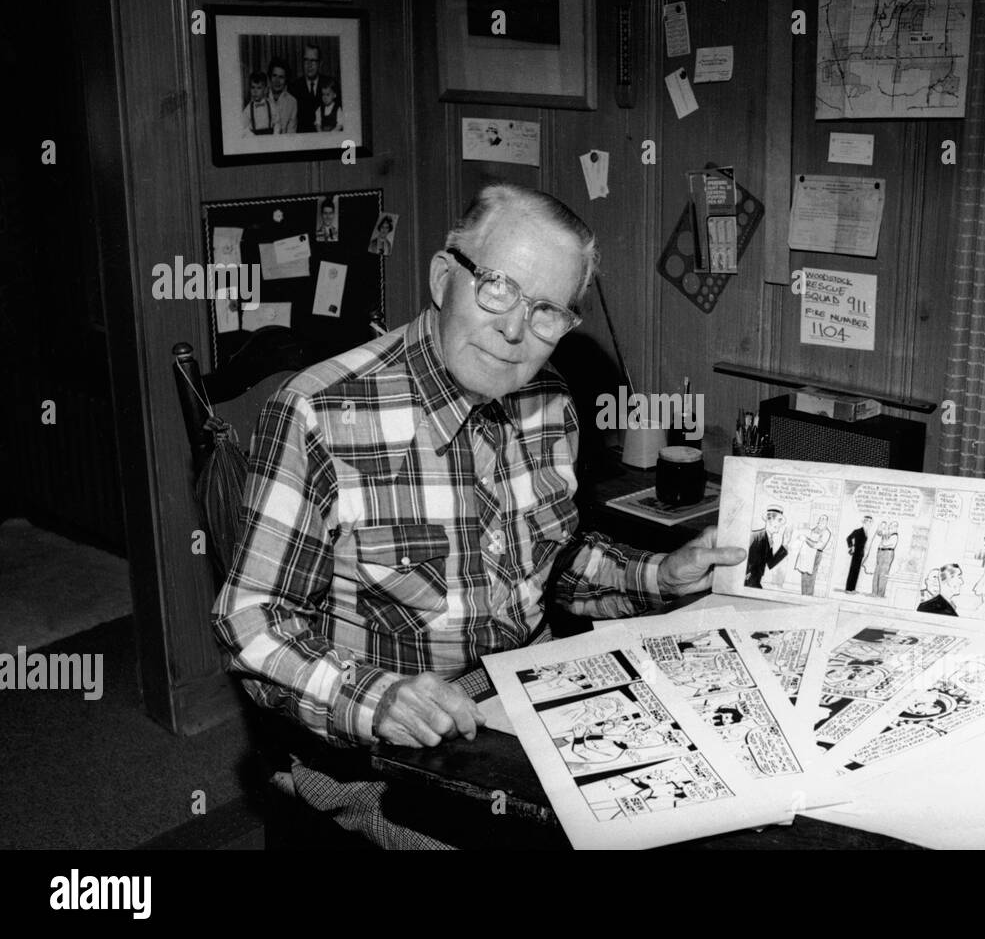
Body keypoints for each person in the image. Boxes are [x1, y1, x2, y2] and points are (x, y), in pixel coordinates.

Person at [212, 183, 744, 847]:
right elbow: (250, 623)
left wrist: (661, 574)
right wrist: (375, 698)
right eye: (498, 289)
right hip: (385, 756)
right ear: (444, 279)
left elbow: (549, 567)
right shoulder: (318, 414)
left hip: (527, 709)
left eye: (547, 310)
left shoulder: (549, 403)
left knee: (697, 801)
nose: (516, 330)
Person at [745, 505, 788, 588]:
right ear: (769, 519)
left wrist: (784, 544)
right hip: (748, 581)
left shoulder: (769, 540)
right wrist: (746, 576)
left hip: (755, 580)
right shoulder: (755, 536)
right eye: (779, 520)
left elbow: (770, 563)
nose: (780, 524)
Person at [289, 43, 327, 132]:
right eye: (306, 60)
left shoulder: (330, 84)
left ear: (320, 63)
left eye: (313, 60)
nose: (309, 65)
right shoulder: (294, 87)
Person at [792, 514, 830, 596]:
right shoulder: (813, 530)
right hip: (806, 555)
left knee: (810, 576)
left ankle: (808, 596)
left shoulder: (826, 532)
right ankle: (803, 594)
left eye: (824, 519)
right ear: (818, 521)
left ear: (827, 522)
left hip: (816, 554)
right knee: (804, 574)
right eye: (821, 519)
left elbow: (819, 546)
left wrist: (806, 539)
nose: (822, 520)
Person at [266, 58, 297, 134]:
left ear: (286, 79)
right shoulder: (261, 97)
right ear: (270, 77)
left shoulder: (292, 102)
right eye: (274, 76)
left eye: (281, 77)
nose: (277, 81)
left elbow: (291, 133)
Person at [240, 71, 273, 137]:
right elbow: (243, 127)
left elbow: (277, 123)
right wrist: (251, 136)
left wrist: (275, 136)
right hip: (255, 139)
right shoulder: (248, 109)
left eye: (259, 88)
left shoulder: (271, 105)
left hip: (270, 139)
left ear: (265, 90)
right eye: (253, 87)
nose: (255, 91)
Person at [871, 520, 899, 598]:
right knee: (877, 572)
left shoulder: (894, 535)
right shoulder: (887, 534)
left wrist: (884, 537)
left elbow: (886, 544)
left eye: (892, 526)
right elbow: (878, 533)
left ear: (895, 527)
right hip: (880, 552)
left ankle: (880, 594)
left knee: (883, 574)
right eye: (890, 526)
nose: (890, 527)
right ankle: (874, 592)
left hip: (888, 553)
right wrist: (881, 526)